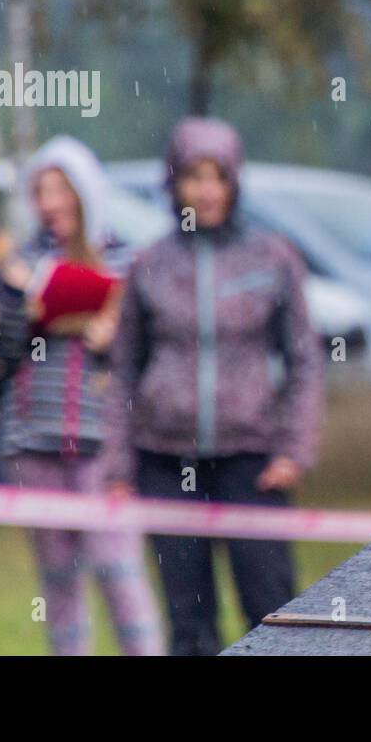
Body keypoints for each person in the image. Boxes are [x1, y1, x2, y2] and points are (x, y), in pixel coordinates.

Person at [104, 117, 324, 655]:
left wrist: (295, 448)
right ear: (173, 183)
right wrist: (117, 466)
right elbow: (124, 369)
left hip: (254, 463)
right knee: (189, 620)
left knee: (270, 610)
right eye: (192, 176)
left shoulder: (274, 258)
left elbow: (304, 360)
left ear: (235, 182)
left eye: (217, 176)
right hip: (165, 461)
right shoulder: (149, 264)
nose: (205, 189)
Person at [0, 136, 163, 656]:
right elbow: (1, 348)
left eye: (60, 190)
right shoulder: (23, 259)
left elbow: (143, 347)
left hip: (100, 443)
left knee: (120, 576)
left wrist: (111, 329)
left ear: (85, 194)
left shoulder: (124, 257)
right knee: (59, 585)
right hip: (33, 439)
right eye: (41, 191)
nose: (50, 203)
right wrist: (26, 303)